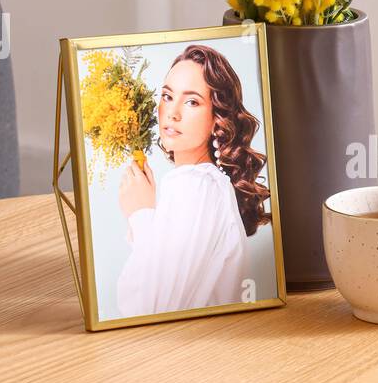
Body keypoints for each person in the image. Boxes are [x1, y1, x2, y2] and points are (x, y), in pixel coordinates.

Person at [116, 43, 270, 317]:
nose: (173, 113)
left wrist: (140, 215)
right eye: (166, 96)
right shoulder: (204, 184)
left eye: (192, 102)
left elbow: (151, 310)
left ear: (217, 119)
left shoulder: (195, 186)